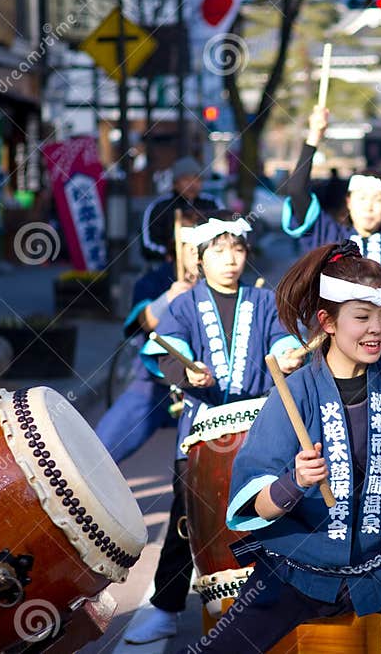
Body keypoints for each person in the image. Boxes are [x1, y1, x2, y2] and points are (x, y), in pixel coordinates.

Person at [173, 157, 381, 654]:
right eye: (362, 317)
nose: (377, 329)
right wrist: (294, 482)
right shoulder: (294, 393)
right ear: (328, 322)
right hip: (294, 570)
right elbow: (254, 503)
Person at [124, 214, 304, 644]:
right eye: (219, 251)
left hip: (260, 429)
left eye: (237, 250)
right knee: (187, 519)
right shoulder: (185, 305)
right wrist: (188, 373)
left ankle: (283, 601)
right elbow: (168, 350)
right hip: (202, 429)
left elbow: (282, 339)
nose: (230, 259)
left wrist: (287, 354)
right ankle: (166, 608)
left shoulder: (263, 301)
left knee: (274, 513)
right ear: (200, 259)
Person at [282, 91, 381, 327]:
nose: (369, 207)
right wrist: (313, 136)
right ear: (348, 201)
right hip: (339, 344)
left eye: (378, 200)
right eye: (362, 198)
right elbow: (296, 190)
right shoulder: (327, 235)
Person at [94, 211, 200, 462]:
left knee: (197, 470)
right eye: (191, 248)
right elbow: (144, 320)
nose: (198, 255)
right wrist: (169, 298)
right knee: (97, 454)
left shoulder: (225, 285)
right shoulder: (154, 280)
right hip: (155, 386)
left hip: (204, 389)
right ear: (176, 250)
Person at [142, 157, 222, 261]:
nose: (193, 184)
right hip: (167, 265)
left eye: (197, 179)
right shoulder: (160, 207)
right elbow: (148, 243)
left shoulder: (212, 204)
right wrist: (173, 255)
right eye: (186, 179)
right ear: (175, 183)